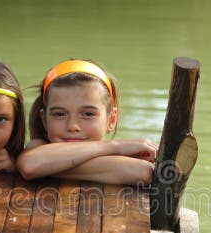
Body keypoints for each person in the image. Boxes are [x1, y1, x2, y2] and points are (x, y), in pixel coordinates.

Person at [16, 59, 158, 185]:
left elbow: (142, 171)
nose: (72, 126)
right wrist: (115, 146)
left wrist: (48, 169)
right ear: (44, 120)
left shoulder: (42, 158)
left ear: (112, 119)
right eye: (59, 114)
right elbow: (30, 165)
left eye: (88, 114)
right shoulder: (38, 148)